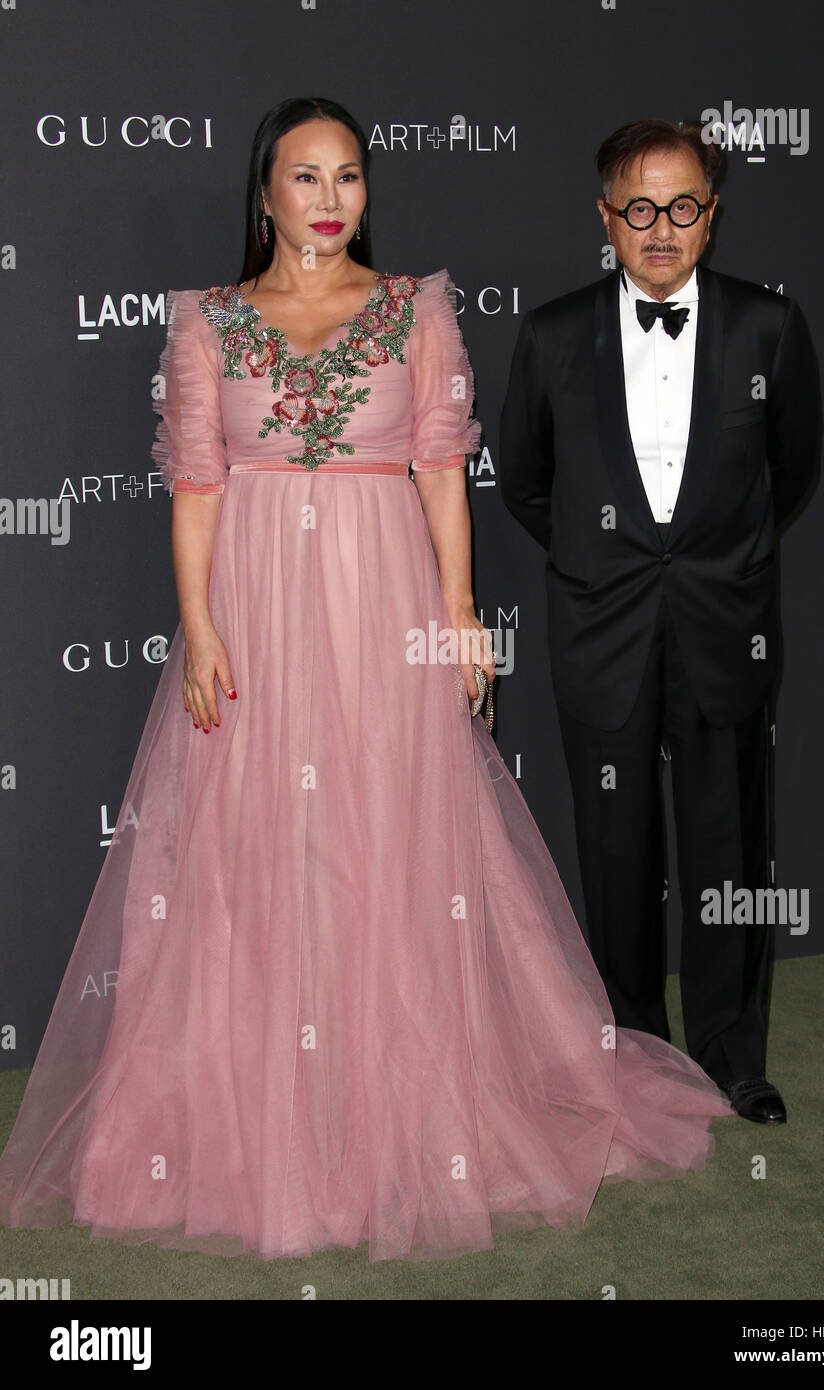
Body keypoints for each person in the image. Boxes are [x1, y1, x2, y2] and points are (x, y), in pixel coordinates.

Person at [0, 99, 732, 1266]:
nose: (331, 200)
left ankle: (403, 1112)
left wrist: (456, 618)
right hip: (253, 615)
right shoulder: (206, 325)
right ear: (265, 194)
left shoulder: (414, 311)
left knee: (386, 844)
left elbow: (442, 474)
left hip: (383, 609)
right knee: (251, 853)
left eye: (348, 177)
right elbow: (197, 484)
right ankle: (258, 1119)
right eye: (306, 177)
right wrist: (195, 626)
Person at [500, 118, 820, 1126]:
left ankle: (734, 1057)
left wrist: (714, 562)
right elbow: (525, 481)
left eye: (682, 206)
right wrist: (610, 562)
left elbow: (792, 469)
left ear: (710, 214)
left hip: (725, 626)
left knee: (729, 857)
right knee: (617, 857)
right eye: (638, 209)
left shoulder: (767, 326)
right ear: (605, 216)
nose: (660, 228)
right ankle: (634, 1059)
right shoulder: (552, 335)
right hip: (605, 630)